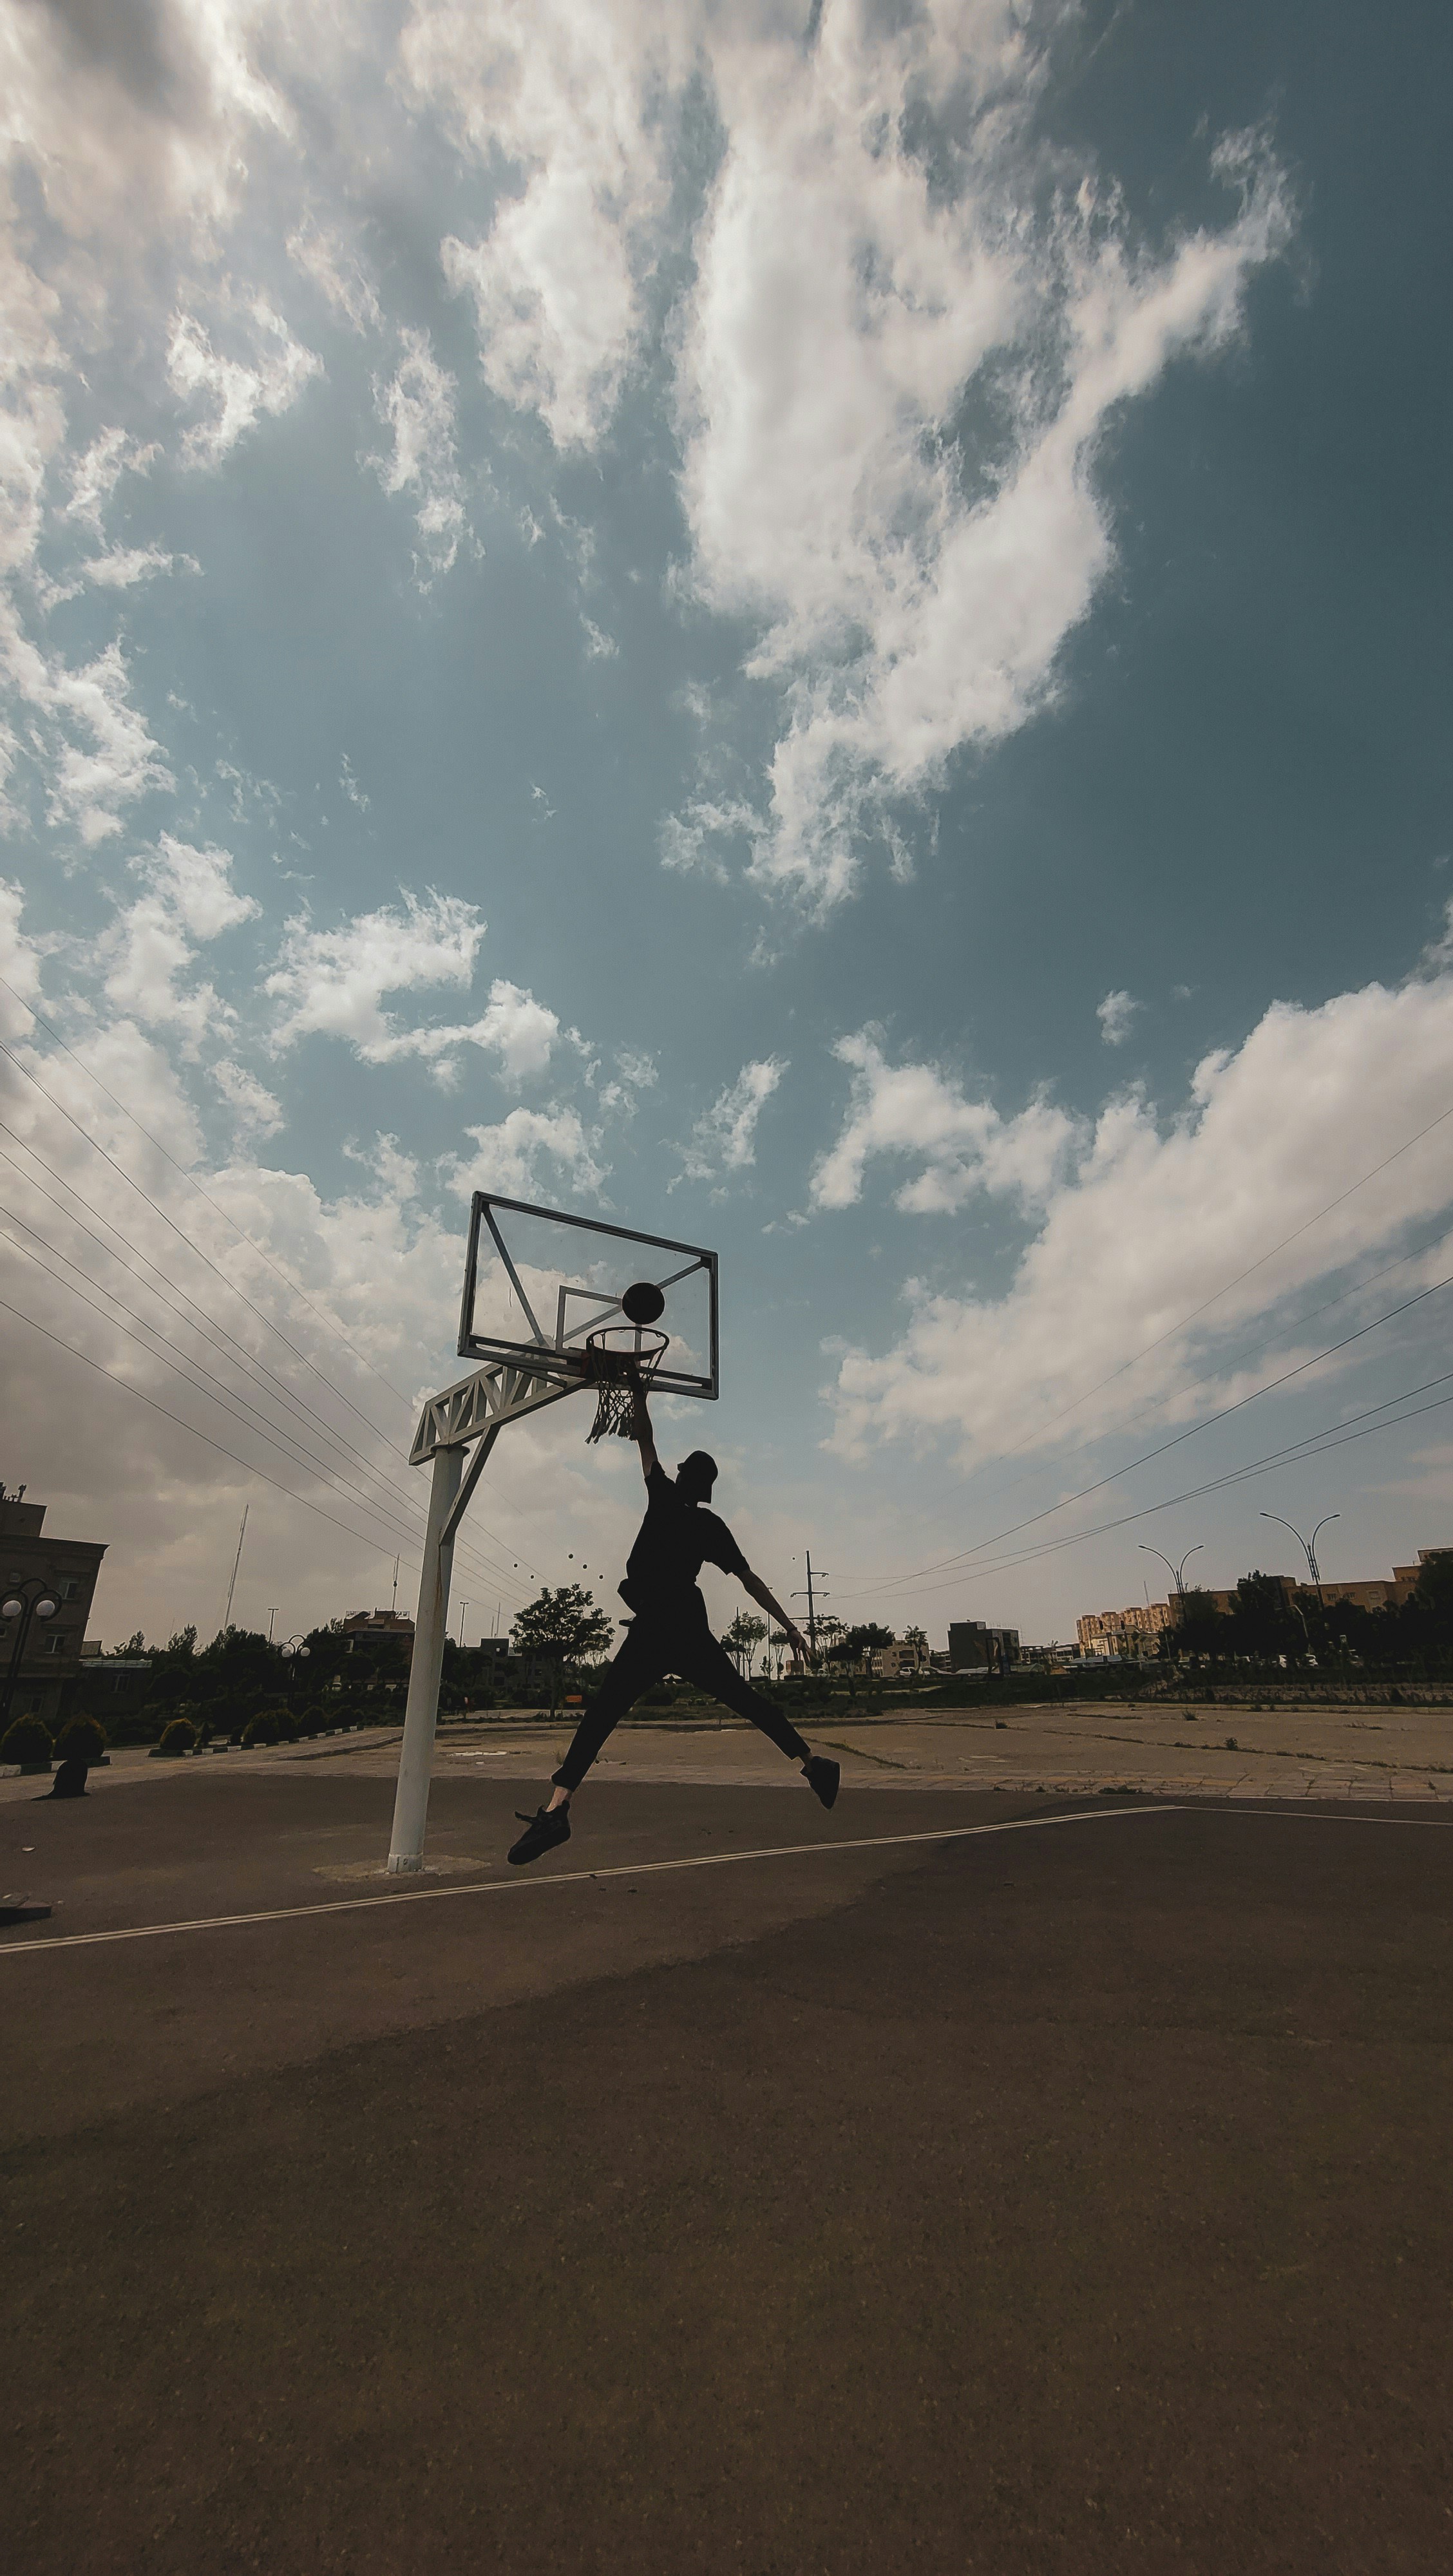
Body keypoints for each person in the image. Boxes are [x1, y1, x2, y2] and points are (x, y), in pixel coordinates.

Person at [508, 1388, 839, 1864]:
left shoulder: (663, 1495)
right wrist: (787, 1625)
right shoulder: (710, 1525)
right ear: (707, 1489)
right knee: (744, 1700)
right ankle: (812, 1763)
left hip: (659, 1625)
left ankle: (557, 1809)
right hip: (685, 1624)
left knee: (602, 1714)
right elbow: (751, 1581)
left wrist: (641, 1395)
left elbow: (645, 1439)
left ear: (685, 1477)